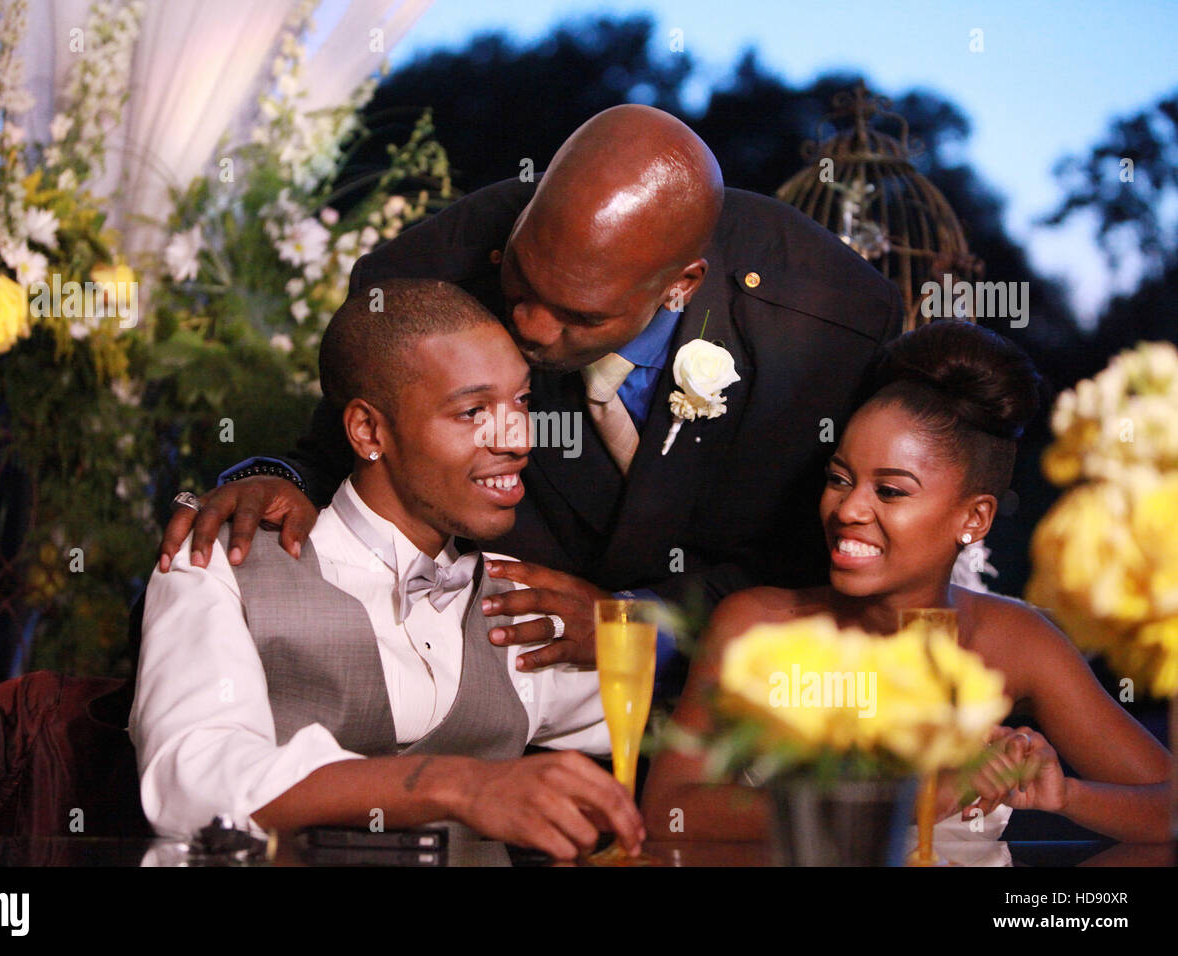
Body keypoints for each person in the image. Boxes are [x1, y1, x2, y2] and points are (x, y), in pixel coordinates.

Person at [156, 104, 903, 680]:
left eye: (579, 313)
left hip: (731, 706)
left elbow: (829, 558)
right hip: (496, 690)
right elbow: (344, 450)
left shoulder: (824, 327)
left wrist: (646, 626)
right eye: (522, 277)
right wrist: (270, 479)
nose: (530, 326)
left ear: (680, 286)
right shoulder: (423, 279)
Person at [130, 280, 645, 861]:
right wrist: (461, 786)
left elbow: (682, 718)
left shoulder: (520, 600)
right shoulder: (225, 561)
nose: (520, 438)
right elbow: (190, 781)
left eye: (522, 403)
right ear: (369, 431)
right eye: (474, 411)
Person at [640, 320, 1172, 845]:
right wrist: (909, 799)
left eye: (890, 491)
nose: (847, 508)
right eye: (838, 478)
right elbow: (668, 810)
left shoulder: (1018, 641)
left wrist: (1064, 796)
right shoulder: (754, 622)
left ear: (974, 519)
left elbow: (1167, 807)